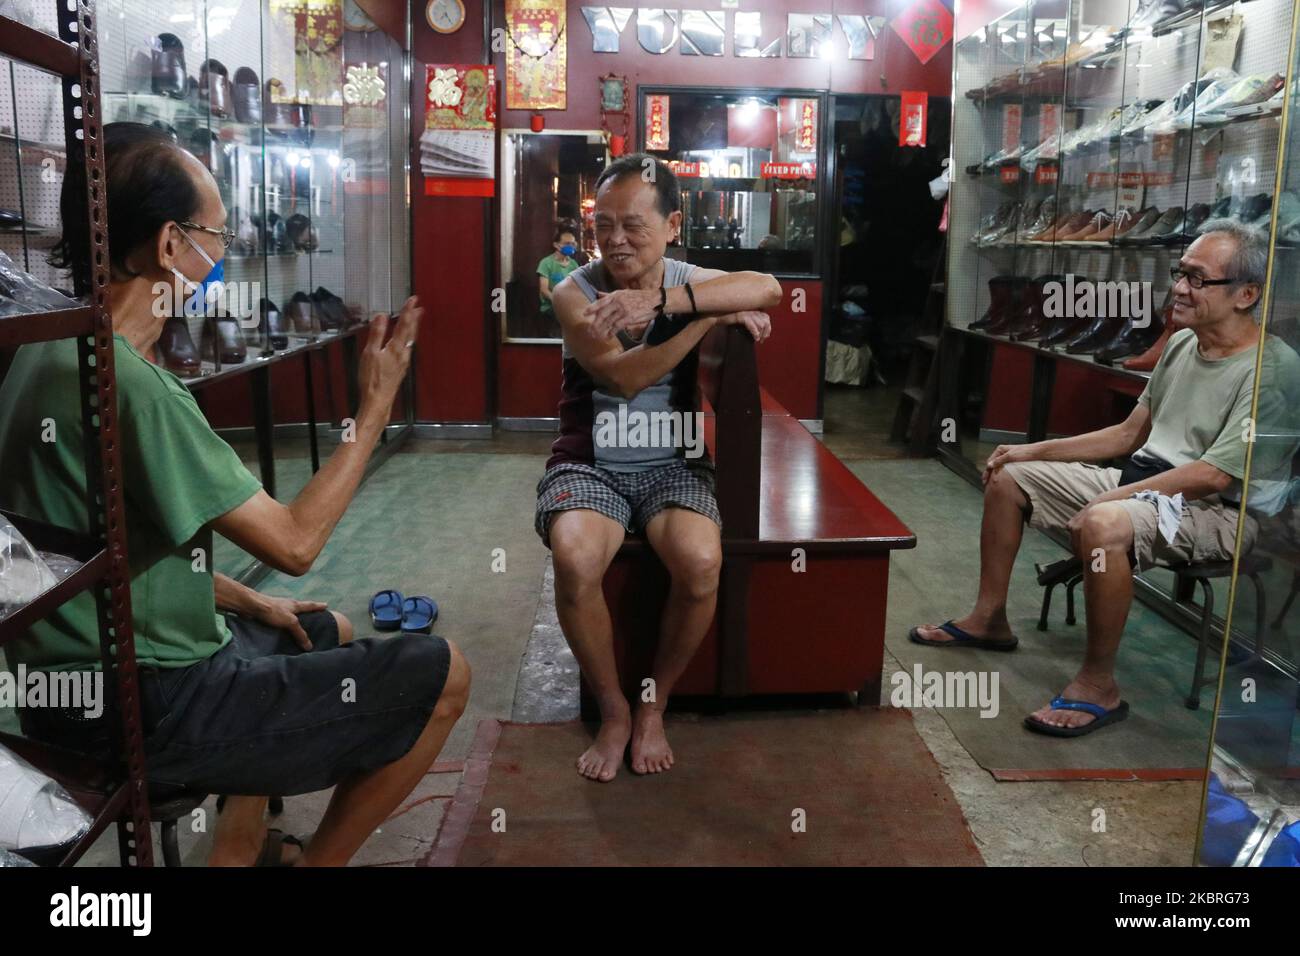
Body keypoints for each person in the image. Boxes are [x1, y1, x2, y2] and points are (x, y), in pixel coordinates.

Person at [0, 122, 470, 865]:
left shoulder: (41, 354)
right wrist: (374, 409)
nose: (223, 254)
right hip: (146, 703)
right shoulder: (136, 389)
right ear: (168, 247)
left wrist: (251, 602)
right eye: (215, 235)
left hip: (61, 691)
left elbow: (92, 551)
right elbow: (294, 542)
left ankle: (237, 852)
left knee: (317, 630)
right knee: (443, 674)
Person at [911, 221, 1300, 737]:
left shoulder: (1272, 371)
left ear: (1246, 294)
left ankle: (1099, 685)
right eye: (1180, 273)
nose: (1179, 288)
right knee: (1010, 477)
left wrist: (1114, 497)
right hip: (1147, 483)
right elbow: (1127, 434)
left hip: (1222, 511)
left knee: (1104, 523)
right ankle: (990, 618)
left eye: (1198, 280)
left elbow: (1211, 476)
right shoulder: (1184, 344)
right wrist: (1028, 450)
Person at [536, 153, 781, 781]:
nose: (616, 240)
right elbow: (623, 377)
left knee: (702, 563)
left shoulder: (682, 276)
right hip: (591, 461)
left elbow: (768, 288)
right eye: (604, 225)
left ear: (673, 223)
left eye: (634, 226)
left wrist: (672, 301)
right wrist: (703, 318)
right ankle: (615, 709)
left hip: (673, 459)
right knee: (573, 556)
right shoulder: (575, 291)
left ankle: (654, 703)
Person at [537, 222, 581, 330]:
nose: (570, 246)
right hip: (551, 308)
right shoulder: (546, 263)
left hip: (570, 307)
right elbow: (544, 289)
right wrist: (559, 302)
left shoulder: (574, 264)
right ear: (556, 245)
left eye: (572, 244)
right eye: (567, 243)